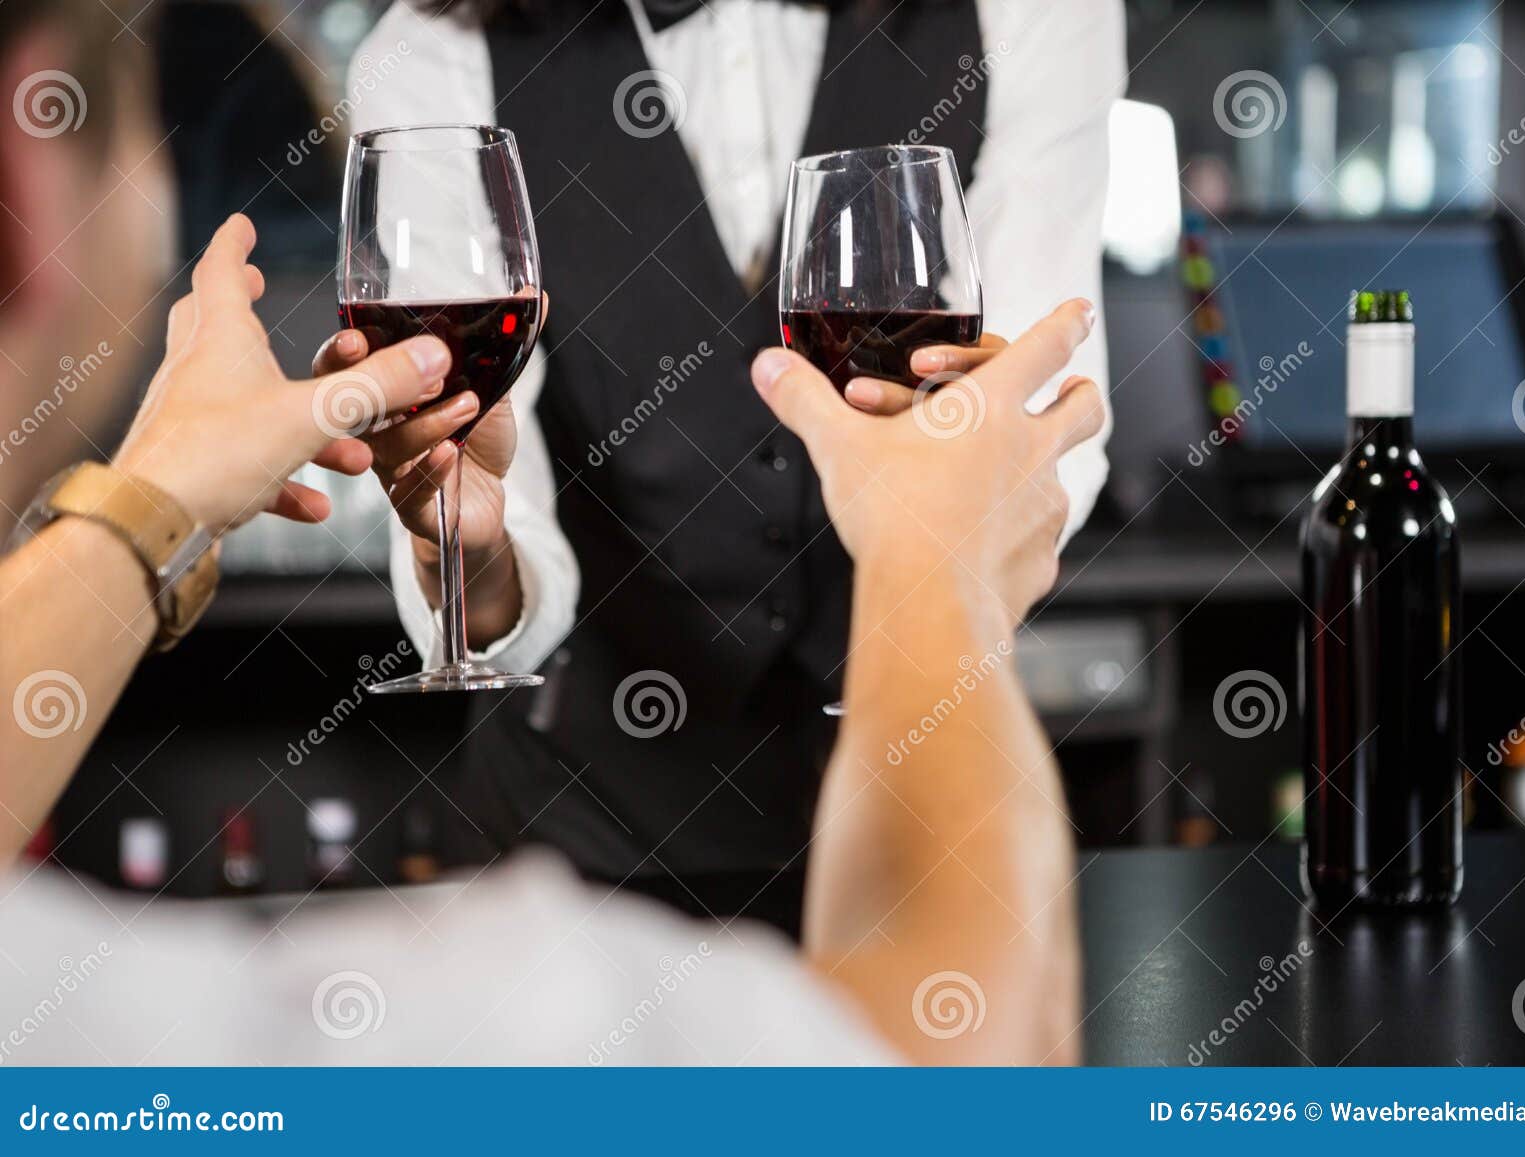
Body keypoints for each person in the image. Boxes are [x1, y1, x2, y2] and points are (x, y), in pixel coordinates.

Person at [0, 0, 1103, 1066]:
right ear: (29, 161)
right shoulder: (439, 43)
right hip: (597, 822)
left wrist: (157, 494)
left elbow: (1040, 407)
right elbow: (942, 1082)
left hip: (916, 817)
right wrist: (929, 556)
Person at [334, 0, 1126, 933]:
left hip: (923, 793)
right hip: (581, 836)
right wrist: (465, 551)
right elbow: (495, 507)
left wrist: (969, 504)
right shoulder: (431, 52)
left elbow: (1036, 417)